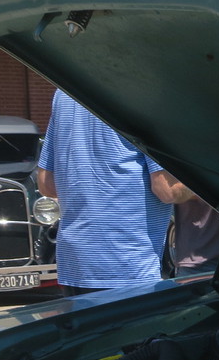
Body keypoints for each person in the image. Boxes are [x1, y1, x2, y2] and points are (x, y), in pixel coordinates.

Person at [37, 89, 184, 295]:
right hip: (126, 263)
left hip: (74, 262)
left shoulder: (63, 93)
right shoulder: (142, 91)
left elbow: (46, 183)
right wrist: (211, 186)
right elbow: (166, 190)